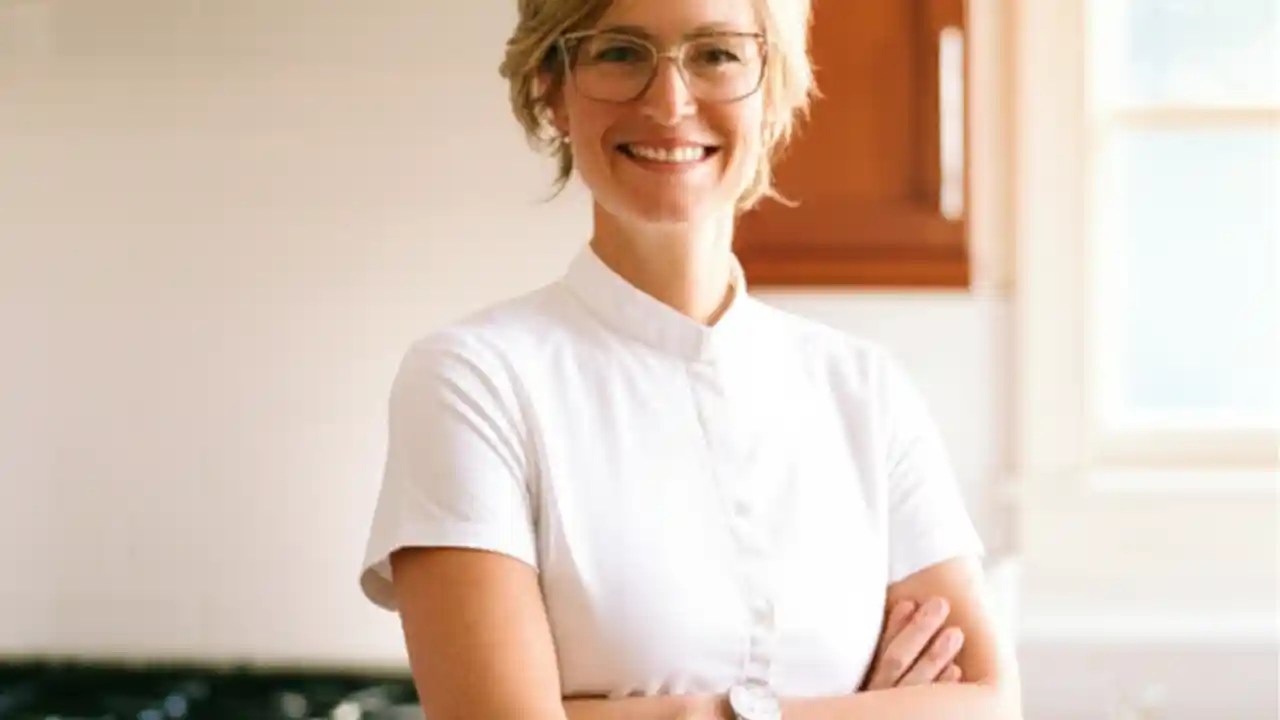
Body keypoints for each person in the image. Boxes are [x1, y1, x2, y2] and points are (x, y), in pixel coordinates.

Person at [357, 0, 1023, 717]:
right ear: (552, 90)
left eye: (717, 55)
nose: (670, 102)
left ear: (772, 91)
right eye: (619, 53)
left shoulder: (865, 390)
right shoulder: (472, 380)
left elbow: (987, 704)